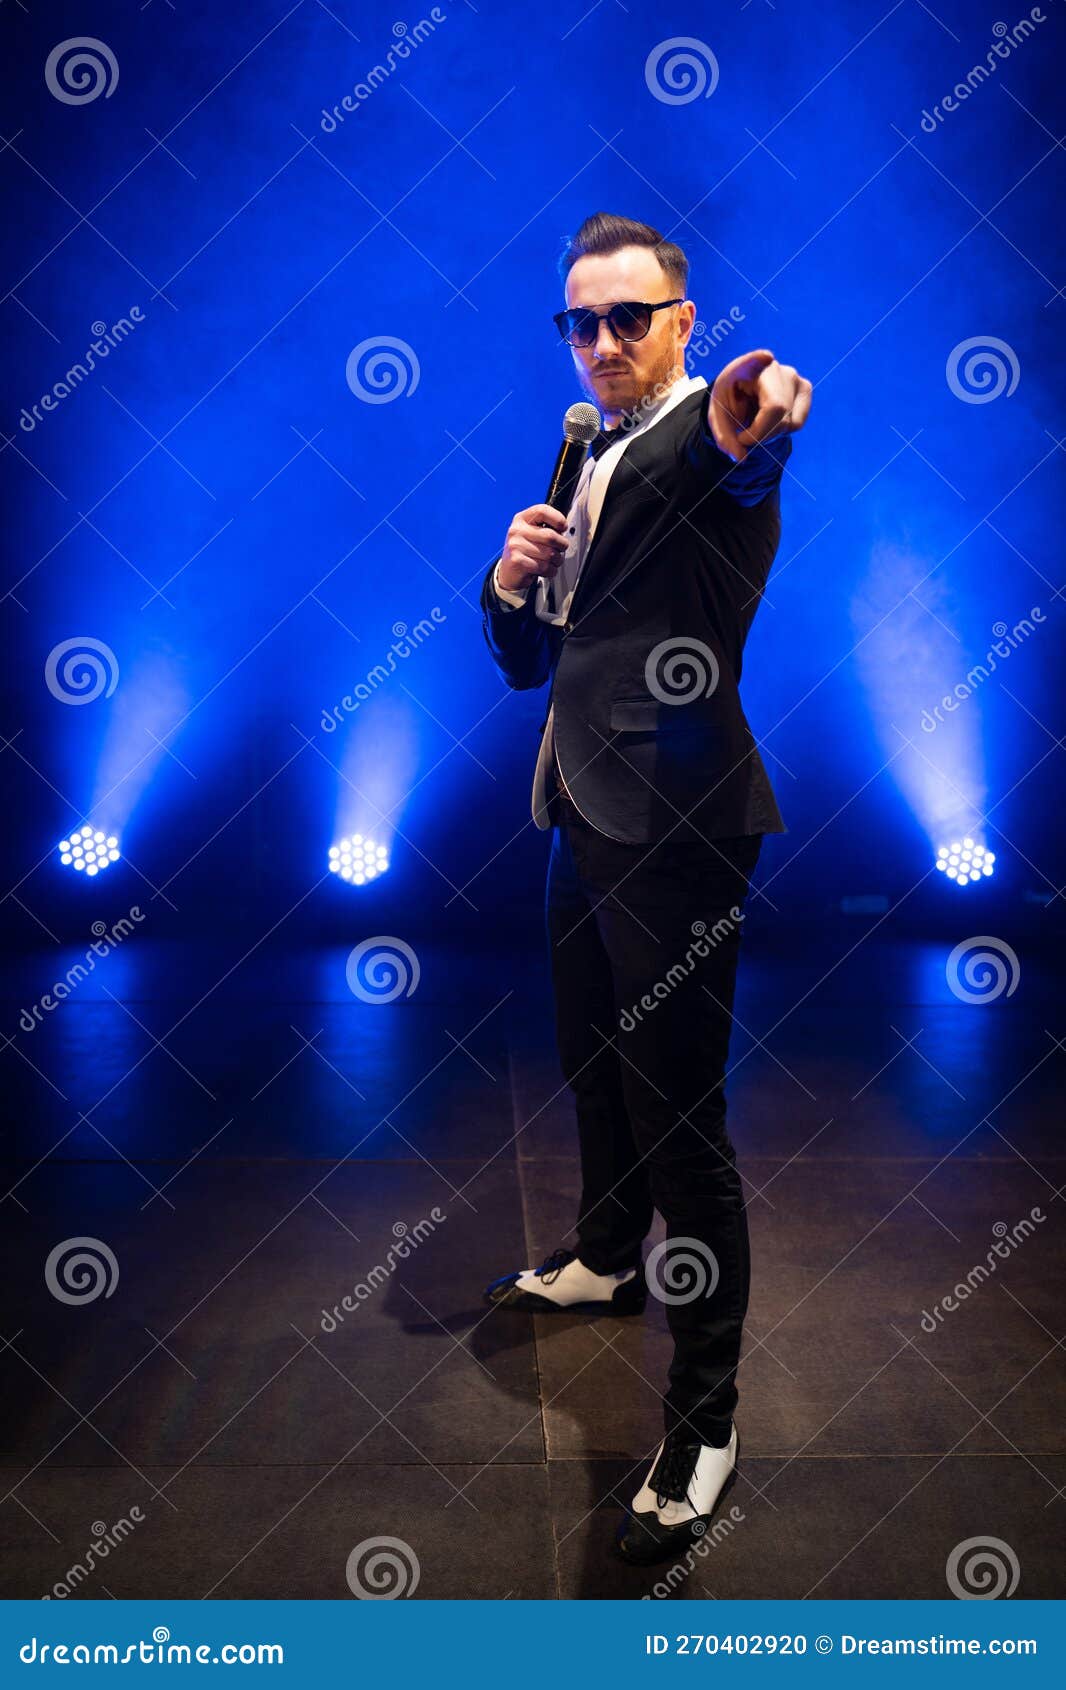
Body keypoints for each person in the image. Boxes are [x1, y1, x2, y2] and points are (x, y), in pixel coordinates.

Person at [478, 212, 812, 1566]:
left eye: (630, 318)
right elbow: (525, 660)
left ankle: (705, 1415)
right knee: (591, 1052)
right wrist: (506, 583)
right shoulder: (586, 449)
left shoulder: (697, 435)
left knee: (685, 1118)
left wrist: (757, 412)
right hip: (580, 799)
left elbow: (749, 437)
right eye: (582, 322)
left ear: (685, 321)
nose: (604, 343)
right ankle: (607, 1254)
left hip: (676, 823)